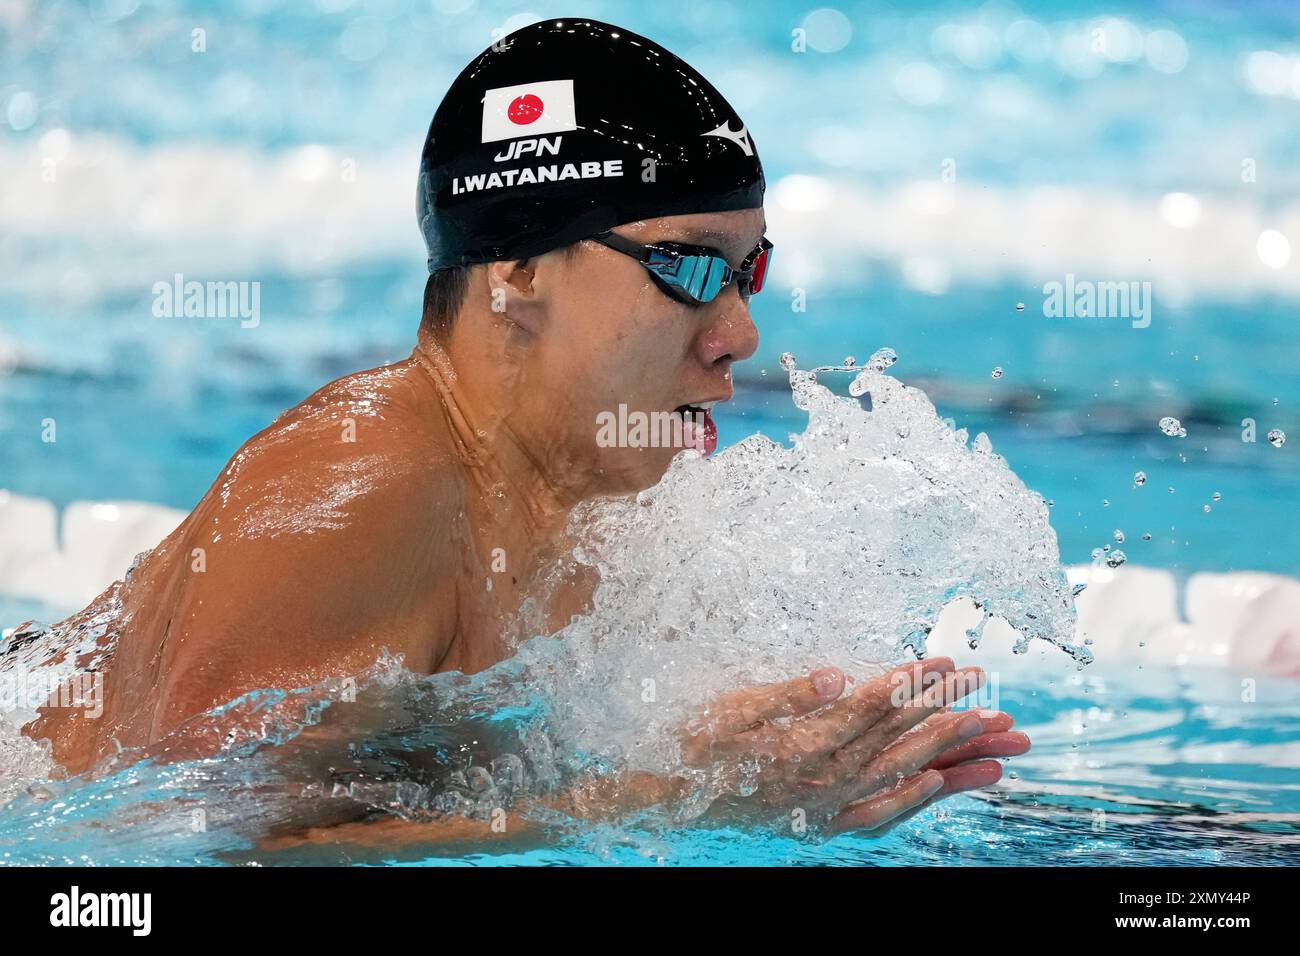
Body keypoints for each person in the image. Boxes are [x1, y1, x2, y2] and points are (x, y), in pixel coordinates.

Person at [19, 18, 1028, 847]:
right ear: (517, 271)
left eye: (748, 270)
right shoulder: (357, 491)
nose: (737, 335)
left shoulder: (580, 505)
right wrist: (657, 802)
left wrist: (735, 762)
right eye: (687, 266)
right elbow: (178, 848)